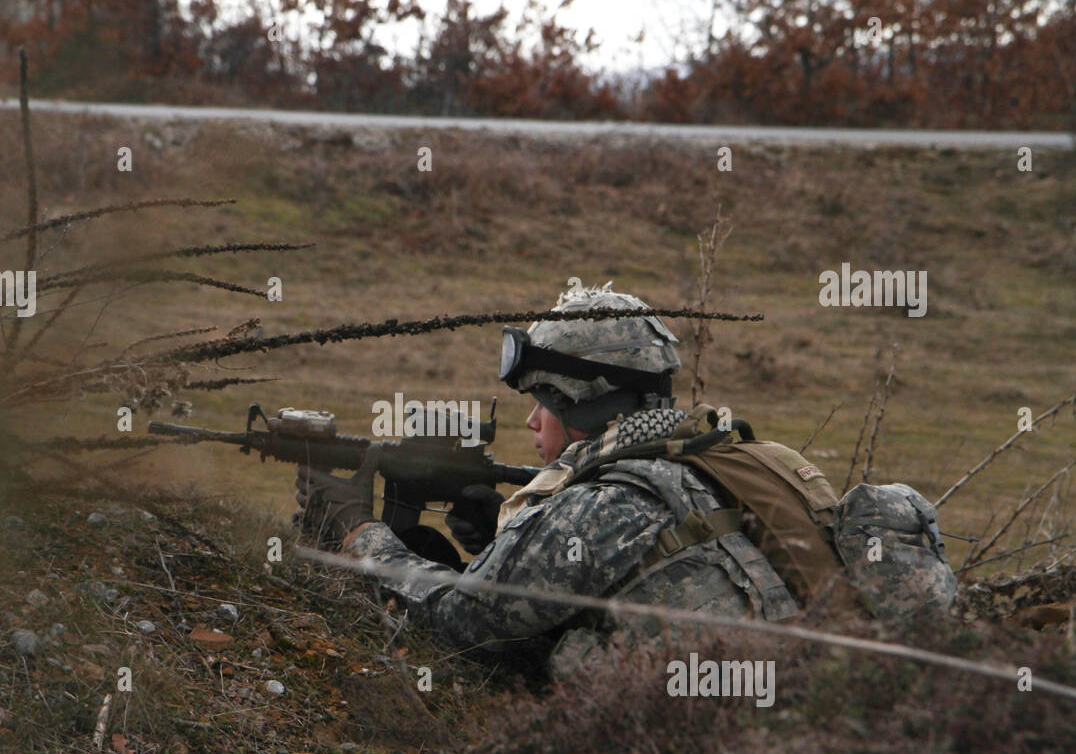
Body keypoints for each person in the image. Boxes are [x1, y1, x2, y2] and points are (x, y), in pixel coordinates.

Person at [294, 284, 798, 679]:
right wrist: (508, 536)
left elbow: (456, 625)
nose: (533, 421)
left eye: (545, 401)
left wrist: (358, 531)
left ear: (586, 403)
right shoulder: (699, 463)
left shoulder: (597, 507)